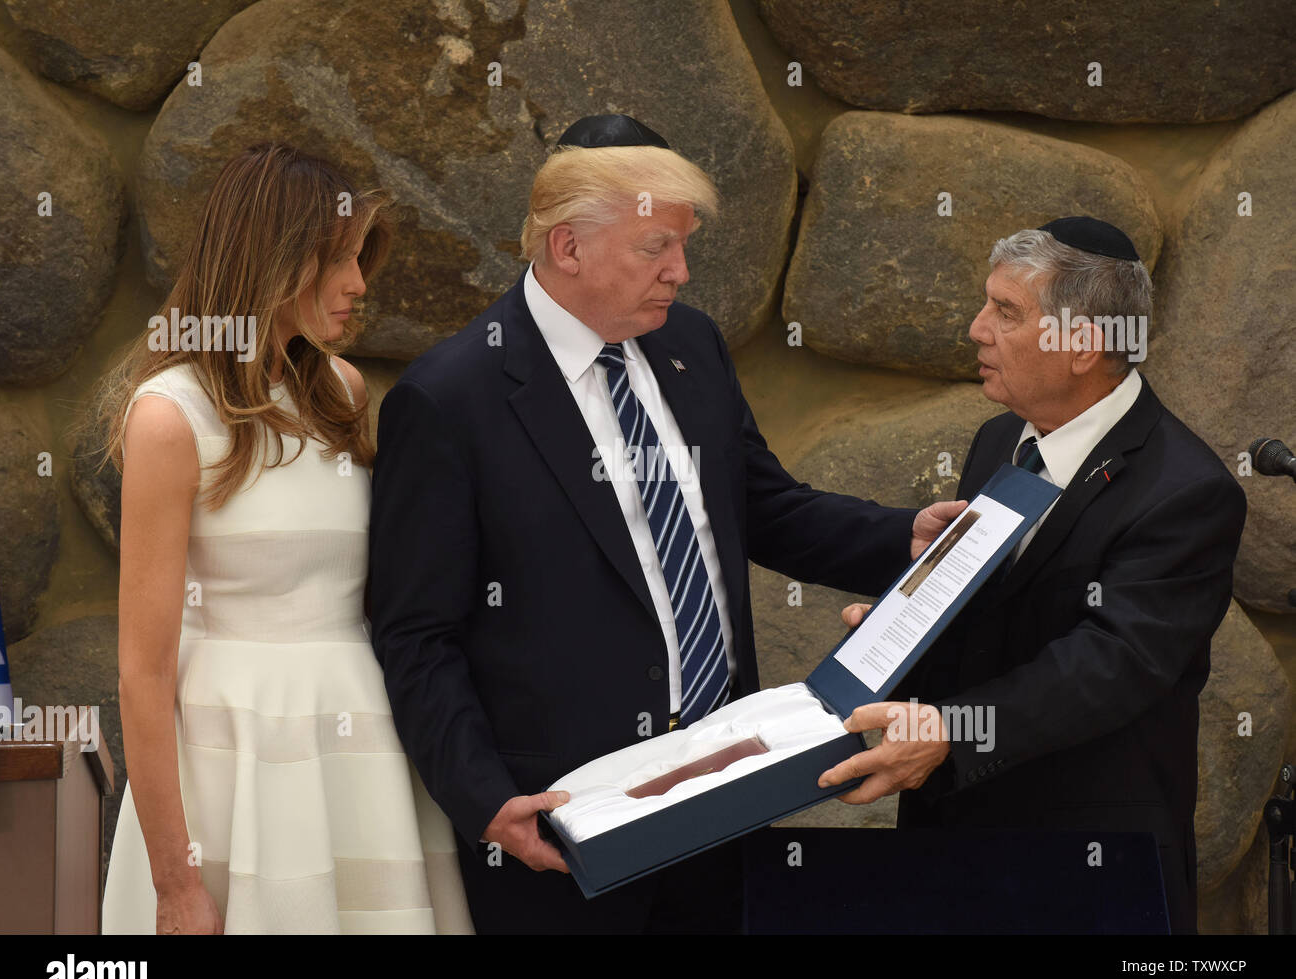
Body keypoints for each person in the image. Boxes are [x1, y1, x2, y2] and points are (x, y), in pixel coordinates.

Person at [369, 114, 964, 934]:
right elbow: (415, 633)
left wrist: (907, 541)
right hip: (566, 823)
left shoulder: (690, 345)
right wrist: (486, 801)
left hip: (729, 785)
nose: (681, 272)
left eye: (685, 247)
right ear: (568, 246)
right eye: (657, 248)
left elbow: (763, 507)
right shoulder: (449, 399)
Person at [822, 216, 1247, 934]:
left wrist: (954, 731)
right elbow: (995, 610)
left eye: (1005, 312)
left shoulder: (1187, 490)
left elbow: (1109, 665)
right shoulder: (998, 438)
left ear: (1082, 344)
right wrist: (904, 622)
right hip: (950, 834)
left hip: (1085, 862)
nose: (975, 328)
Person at [99, 142, 471, 934]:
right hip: (232, 773)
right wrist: (175, 884)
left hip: (359, 756)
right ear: (270, 260)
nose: (359, 285)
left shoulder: (339, 390)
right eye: (338, 260)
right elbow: (143, 671)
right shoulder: (170, 416)